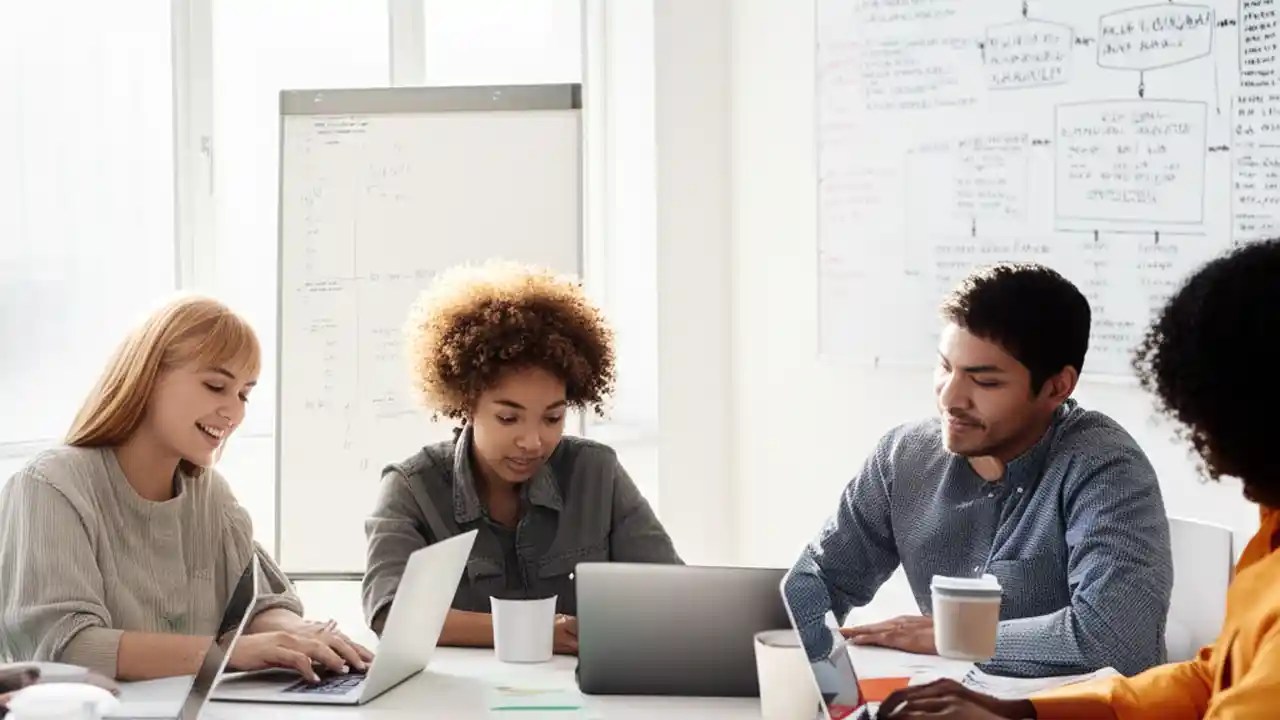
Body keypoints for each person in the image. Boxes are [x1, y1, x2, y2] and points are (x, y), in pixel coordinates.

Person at [876, 239, 1280, 718]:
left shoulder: (1103, 462)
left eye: (1216, 423)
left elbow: (1117, 640)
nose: (1208, 450)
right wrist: (1024, 712)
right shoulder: (1272, 533)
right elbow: (1210, 679)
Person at [783, 263, 1172, 678]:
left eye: (984, 382)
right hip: (950, 699)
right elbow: (813, 583)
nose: (950, 399)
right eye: (945, 368)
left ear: (1057, 387)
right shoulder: (903, 457)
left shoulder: (1106, 468)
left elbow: (1118, 641)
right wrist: (825, 687)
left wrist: (955, 637)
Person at [0, 296, 371, 683]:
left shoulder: (211, 497)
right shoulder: (49, 487)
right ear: (148, 376)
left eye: (243, 394)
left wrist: (295, 634)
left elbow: (260, 601)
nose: (235, 412)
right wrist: (226, 655)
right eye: (216, 386)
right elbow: (66, 646)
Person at [362, 261, 681, 654]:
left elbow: (673, 594)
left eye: (552, 418)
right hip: (460, 692)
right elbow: (390, 614)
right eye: (508, 418)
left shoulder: (596, 472)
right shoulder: (413, 487)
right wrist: (534, 630)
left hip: (581, 690)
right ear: (467, 404)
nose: (533, 442)